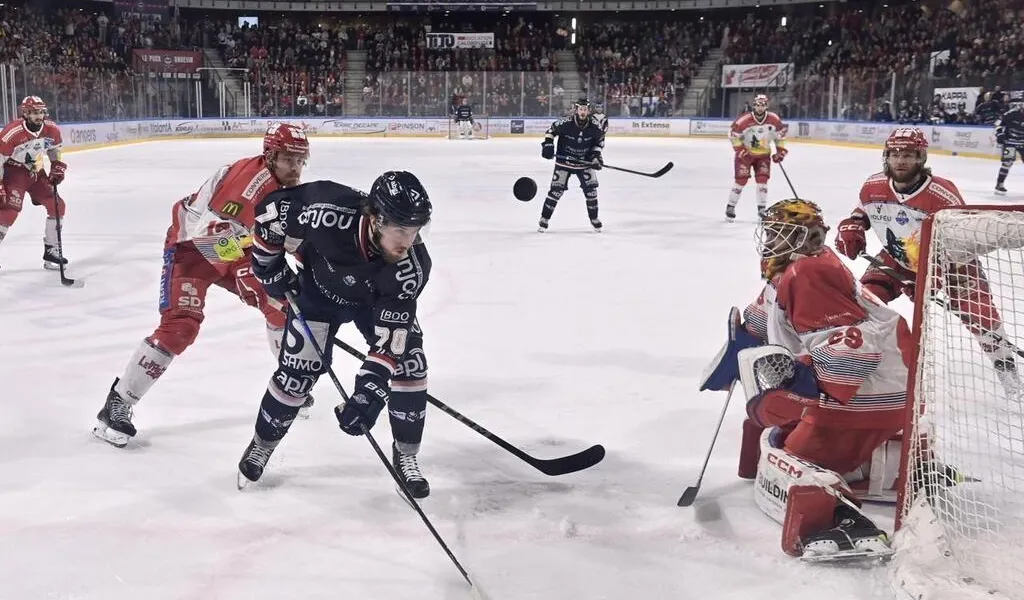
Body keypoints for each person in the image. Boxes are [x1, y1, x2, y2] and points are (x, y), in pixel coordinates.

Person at [700, 199, 907, 560]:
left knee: (784, 451)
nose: (770, 239)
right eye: (770, 231)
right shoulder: (789, 270)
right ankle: (873, 463)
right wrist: (731, 360)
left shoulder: (809, 273)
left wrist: (798, 387)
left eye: (781, 232)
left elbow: (850, 352)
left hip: (868, 392)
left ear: (807, 237)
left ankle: (845, 521)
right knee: (773, 421)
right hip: (879, 388)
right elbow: (757, 323)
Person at [93, 123, 310, 448]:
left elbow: (291, 237)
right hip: (192, 249)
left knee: (281, 303)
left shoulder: (285, 188)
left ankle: (288, 379)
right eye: (288, 159)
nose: (295, 168)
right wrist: (243, 271)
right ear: (270, 155)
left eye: (300, 160)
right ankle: (118, 403)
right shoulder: (248, 184)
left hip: (236, 243)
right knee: (181, 326)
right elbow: (208, 232)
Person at [237, 172, 435, 499]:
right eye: (401, 229)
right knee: (295, 375)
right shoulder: (327, 210)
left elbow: (390, 340)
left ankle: (407, 455)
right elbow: (270, 212)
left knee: (410, 364)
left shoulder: (411, 268)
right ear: (374, 219)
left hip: (375, 305)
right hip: (317, 296)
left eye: (416, 230)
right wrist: (269, 270)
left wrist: (369, 392)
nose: (409, 240)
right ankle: (262, 445)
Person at [834, 126, 1018, 390]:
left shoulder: (942, 194)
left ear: (921, 158)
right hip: (896, 257)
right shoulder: (873, 185)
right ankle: (858, 368)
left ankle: (1011, 384)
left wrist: (931, 274)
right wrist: (853, 225)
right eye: (895, 153)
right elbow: (864, 209)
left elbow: (963, 240)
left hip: (951, 264)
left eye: (908, 154)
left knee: (985, 323)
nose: (900, 160)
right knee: (862, 303)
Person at [0, 96, 69, 270]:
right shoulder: (11, 132)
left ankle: (51, 251)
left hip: (35, 171)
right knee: (9, 212)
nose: (39, 116)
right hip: (14, 172)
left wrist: (56, 165)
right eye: (34, 113)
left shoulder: (51, 129)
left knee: (57, 205)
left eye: (40, 112)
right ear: (25, 113)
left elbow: (55, 149)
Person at [538, 98, 605, 232]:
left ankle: (594, 218)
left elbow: (600, 142)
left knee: (591, 192)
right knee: (556, 191)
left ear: (589, 110)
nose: (583, 112)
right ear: (576, 110)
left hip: (584, 163)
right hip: (564, 162)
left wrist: (596, 157)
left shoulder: (595, 125)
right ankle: (544, 218)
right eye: (580, 109)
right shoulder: (566, 123)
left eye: (585, 109)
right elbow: (551, 131)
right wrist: (548, 145)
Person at [725, 94, 788, 221]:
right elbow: (733, 135)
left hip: (763, 156)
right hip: (745, 156)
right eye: (758, 105)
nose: (760, 107)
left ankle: (762, 209)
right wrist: (741, 150)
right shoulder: (744, 120)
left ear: (766, 106)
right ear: (754, 105)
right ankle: (730, 206)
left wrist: (780, 151)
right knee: (741, 180)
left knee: (762, 181)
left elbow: (779, 136)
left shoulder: (774, 119)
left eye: (763, 105)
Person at [994, 104, 1024, 194]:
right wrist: (1000, 134)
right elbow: (997, 123)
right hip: (1010, 142)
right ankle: (1000, 184)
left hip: (1023, 143)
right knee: (1007, 163)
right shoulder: (1011, 113)